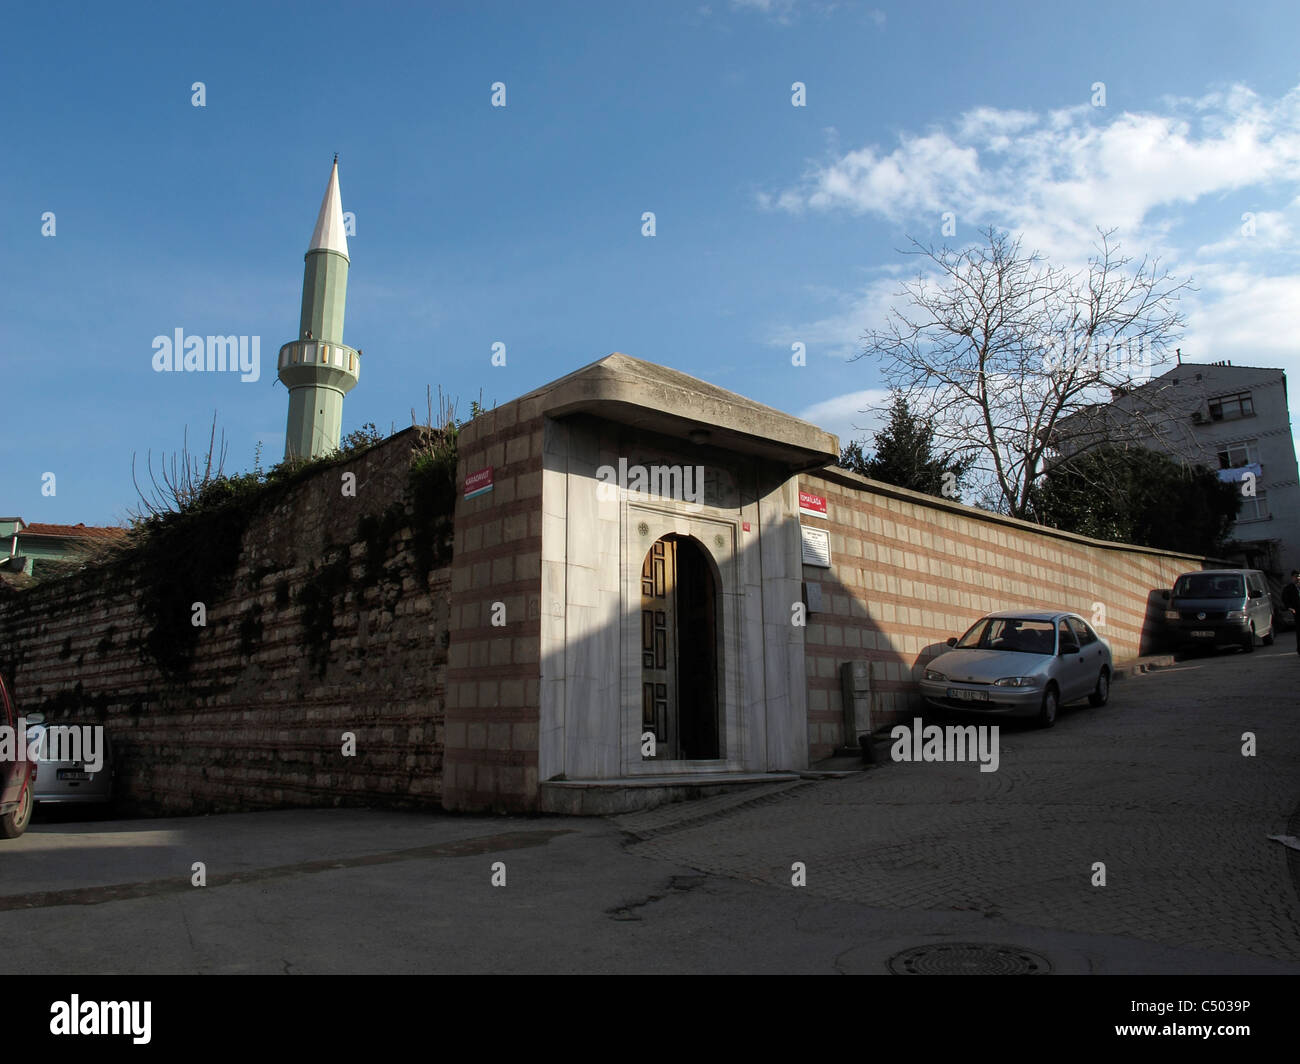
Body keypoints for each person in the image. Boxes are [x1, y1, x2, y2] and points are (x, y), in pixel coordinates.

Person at [1283, 571, 1300, 657]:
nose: (1297, 578)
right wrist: (1290, 607)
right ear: (1292, 577)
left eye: (1299, 576)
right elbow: (1285, 599)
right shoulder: (1289, 588)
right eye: (1296, 576)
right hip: (1296, 611)